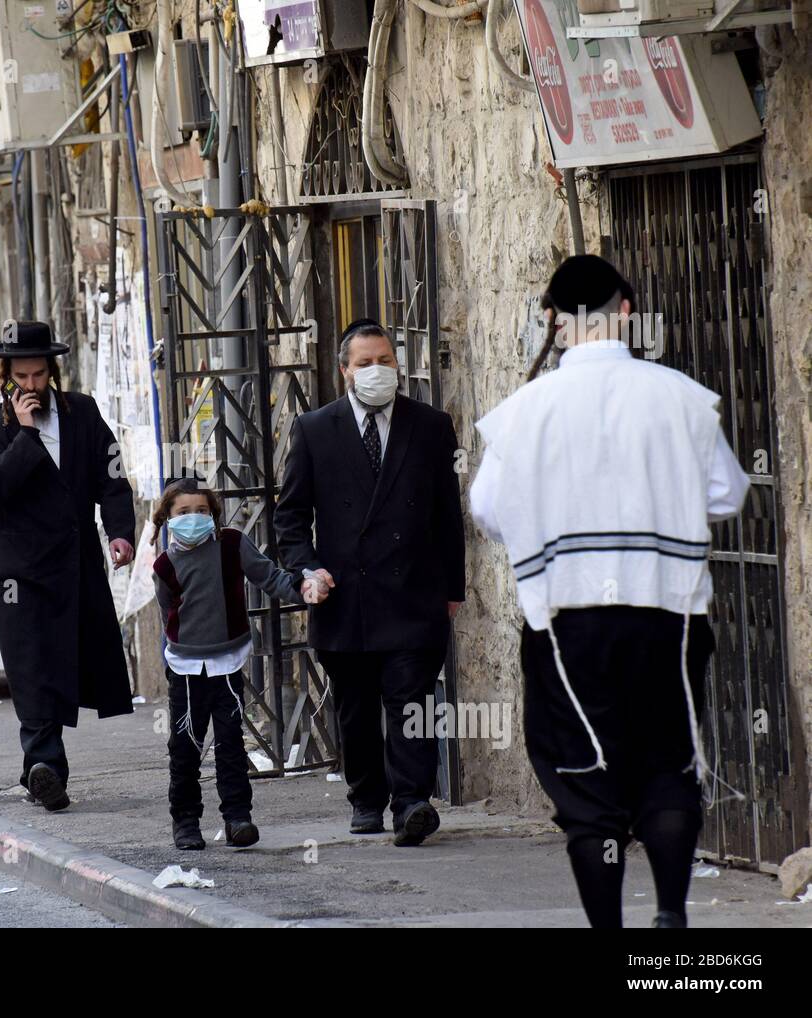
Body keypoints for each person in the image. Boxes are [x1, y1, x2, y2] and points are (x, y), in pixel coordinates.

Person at [468, 255, 749, 928]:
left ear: (552, 322)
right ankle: (673, 913)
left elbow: (487, 511)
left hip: (567, 619)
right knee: (668, 758)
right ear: (627, 309)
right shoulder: (680, 396)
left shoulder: (522, 412)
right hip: (667, 611)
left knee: (587, 775)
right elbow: (728, 493)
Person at [0, 321, 135, 813]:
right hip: (19, 570)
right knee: (32, 665)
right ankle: (45, 768)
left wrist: (121, 531)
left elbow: (112, 479)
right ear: (5, 376)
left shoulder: (82, 413)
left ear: (51, 372)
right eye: (22, 376)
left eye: (39, 375)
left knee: (68, 659)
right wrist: (24, 434)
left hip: (75, 563)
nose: (32, 385)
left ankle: (39, 767)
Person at [275, 319, 465, 844]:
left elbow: (448, 516)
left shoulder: (430, 426)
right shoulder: (314, 429)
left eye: (385, 360)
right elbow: (290, 518)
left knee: (411, 700)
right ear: (345, 372)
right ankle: (366, 798)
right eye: (365, 363)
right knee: (355, 707)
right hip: (344, 596)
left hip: (414, 594)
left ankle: (411, 803)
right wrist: (306, 570)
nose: (377, 371)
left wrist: (453, 589)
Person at [151, 476, 327, 850]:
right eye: (184, 512)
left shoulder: (232, 545)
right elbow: (168, 611)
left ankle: (237, 817)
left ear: (214, 514)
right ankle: (185, 823)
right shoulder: (165, 564)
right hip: (184, 667)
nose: (194, 517)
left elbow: (268, 576)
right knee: (185, 746)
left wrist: (301, 587)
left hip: (227, 661)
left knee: (231, 744)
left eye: (201, 511)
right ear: (168, 517)